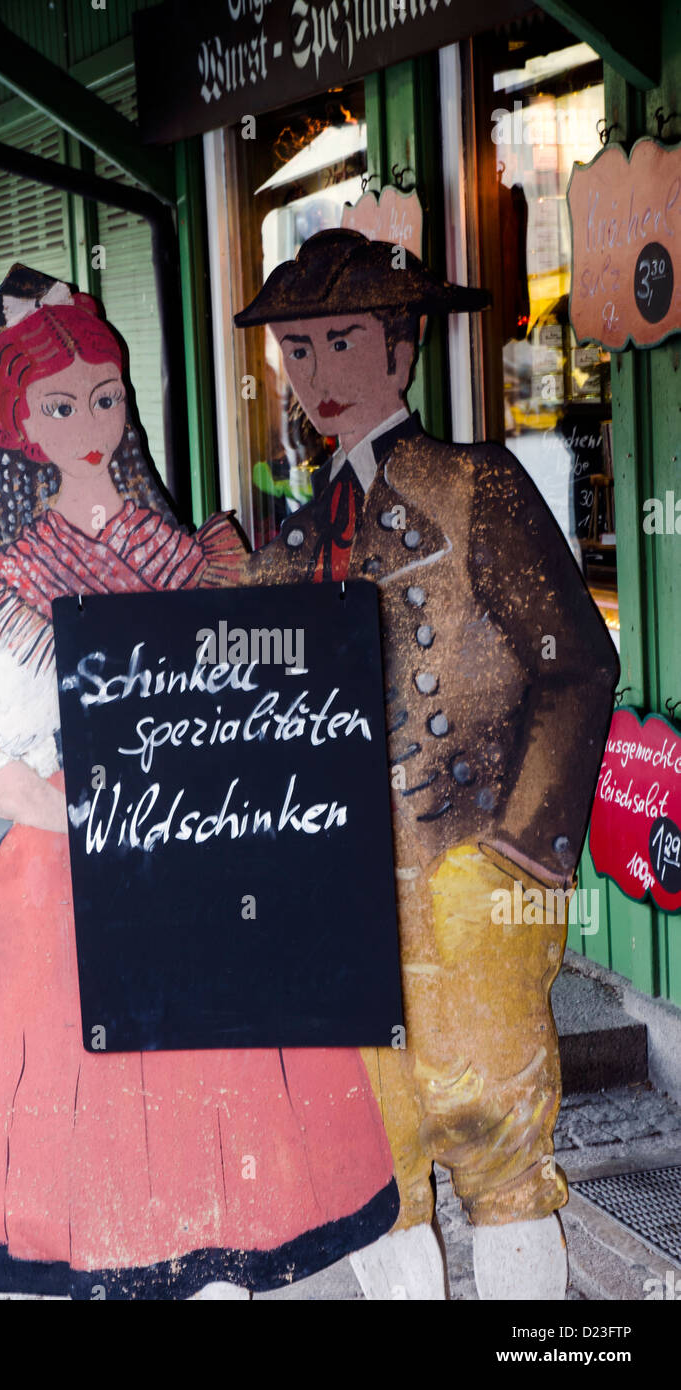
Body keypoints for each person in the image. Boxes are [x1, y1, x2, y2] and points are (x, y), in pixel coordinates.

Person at [0, 268, 399, 1300]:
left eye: (105, 398)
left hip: (198, 869)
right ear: (18, 422)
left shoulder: (199, 559)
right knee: (92, 1128)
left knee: (226, 1124)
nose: (90, 422)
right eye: (61, 405)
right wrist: (20, 791)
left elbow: (262, 704)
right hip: (61, 885)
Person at [236, 228, 620, 1300]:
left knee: (501, 1151)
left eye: (342, 343)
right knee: (374, 1154)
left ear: (400, 353)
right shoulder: (296, 534)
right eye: (298, 352)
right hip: (340, 902)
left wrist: (523, 854)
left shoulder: (477, 487)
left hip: (469, 883)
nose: (318, 376)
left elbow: (578, 665)